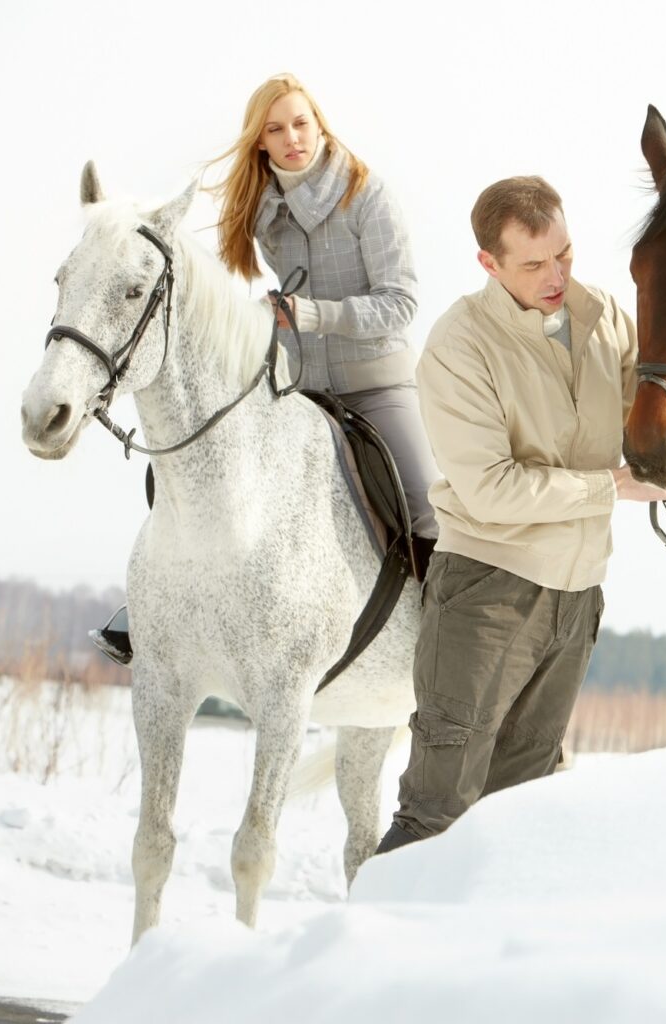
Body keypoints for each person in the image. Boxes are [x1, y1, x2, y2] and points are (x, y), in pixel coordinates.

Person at [91, 72, 438, 665]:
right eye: (275, 129)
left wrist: (310, 315)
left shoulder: (367, 193)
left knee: (429, 504)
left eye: (301, 123)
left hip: (376, 383)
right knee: (191, 466)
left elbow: (400, 302)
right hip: (302, 389)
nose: (291, 138)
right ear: (260, 142)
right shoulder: (262, 208)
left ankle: (449, 626)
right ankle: (155, 608)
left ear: (319, 125)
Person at [375, 176, 666, 853]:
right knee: (436, 812)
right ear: (490, 263)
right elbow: (491, 490)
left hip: (577, 599)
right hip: (486, 593)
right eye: (534, 263)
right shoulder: (459, 346)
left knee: (520, 816)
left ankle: (485, 959)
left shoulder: (603, 318)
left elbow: (645, 422)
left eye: (564, 254)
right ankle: (362, 955)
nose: (557, 275)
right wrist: (612, 489)